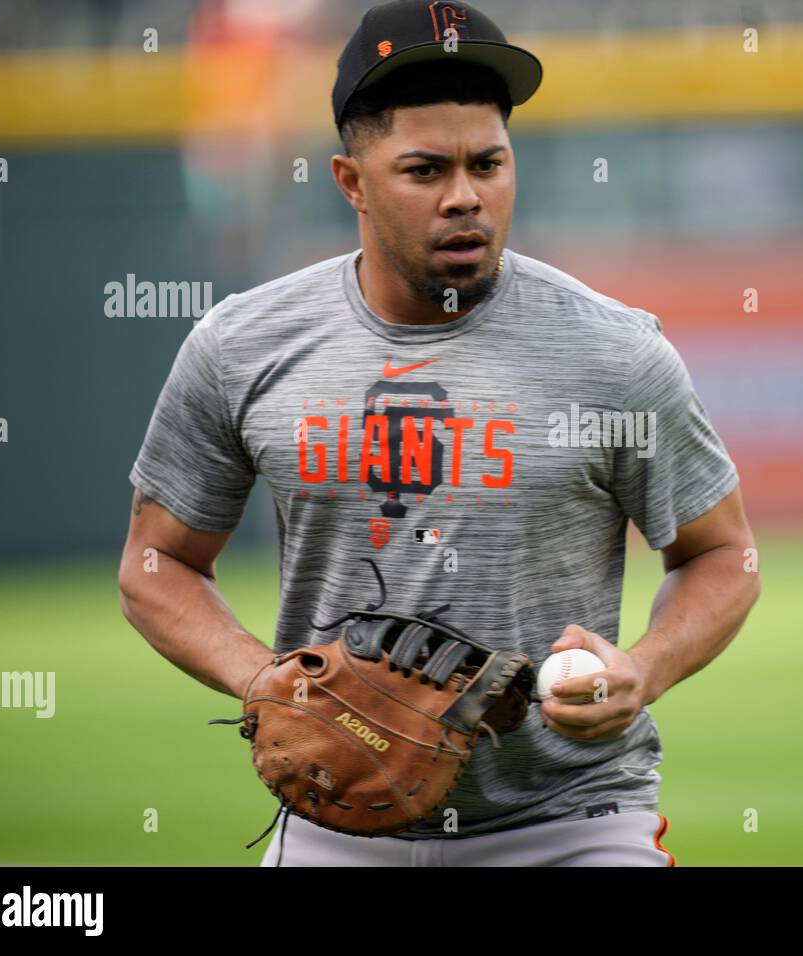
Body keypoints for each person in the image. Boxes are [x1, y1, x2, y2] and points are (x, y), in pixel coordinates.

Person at [117, 0, 759, 866]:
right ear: (351, 181)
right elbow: (156, 566)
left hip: (570, 823)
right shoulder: (243, 345)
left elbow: (723, 556)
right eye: (425, 170)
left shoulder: (614, 353)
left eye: (488, 164)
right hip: (331, 824)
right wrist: (260, 681)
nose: (466, 197)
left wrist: (643, 669)